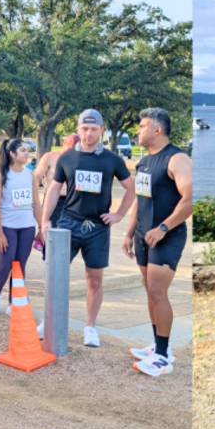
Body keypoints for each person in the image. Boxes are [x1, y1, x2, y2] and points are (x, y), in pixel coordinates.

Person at [39, 109, 136, 347]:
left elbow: (131, 188)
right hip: (68, 222)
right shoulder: (66, 158)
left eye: (94, 129)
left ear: (101, 130)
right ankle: (48, 320)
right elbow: (53, 189)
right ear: (78, 129)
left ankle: (90, 327)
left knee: (94, 279)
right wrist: (45, 219)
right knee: (55, 274)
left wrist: (119, 214)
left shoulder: (112, 159)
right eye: (84, 128)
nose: (89, 133)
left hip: (97, 226)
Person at [122, 108, 193, 377]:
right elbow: (140, 201)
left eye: (142, 126)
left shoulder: (177, 159)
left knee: (157, 290)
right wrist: (129, 233)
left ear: (157, 129)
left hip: (167, 235)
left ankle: (163, 356)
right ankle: (157, 345)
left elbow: (189, 200)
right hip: (143, 235)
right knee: (150, 290)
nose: (137, 131)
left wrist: (163, 228)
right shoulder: (144, 162)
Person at [0, 139, 42, 315]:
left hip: (27, 226)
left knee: (19, 265)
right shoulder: (0, 176)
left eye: (28, 150)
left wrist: (41, 227)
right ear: (12, 154)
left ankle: (13, 301)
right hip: (7, 226)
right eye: (23, 150)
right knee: (6, 264)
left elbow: (36, 202)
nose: (27, 153)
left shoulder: (30, 175)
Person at [34, 133, 80, 244]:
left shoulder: (79, 158)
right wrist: (34, 198)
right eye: (70, 148)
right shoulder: (50, 157)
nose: (71, 151)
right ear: (64, 143)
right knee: (51, 233)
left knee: (71, 235)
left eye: (75, 149)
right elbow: (36, 177)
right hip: (54, 199)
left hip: (72, 200)